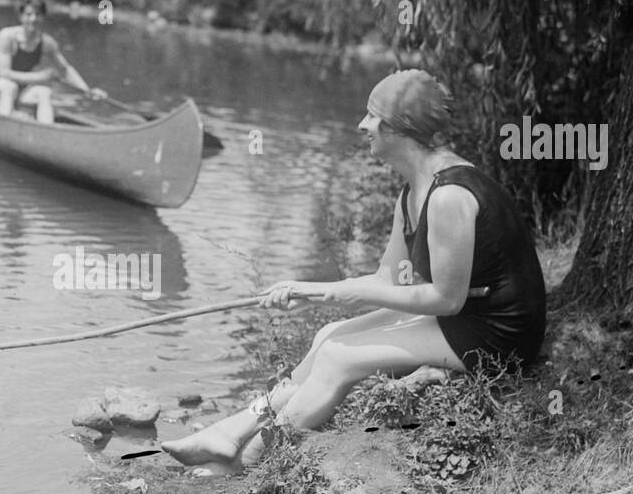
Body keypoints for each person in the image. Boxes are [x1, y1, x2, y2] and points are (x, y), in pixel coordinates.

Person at [160, 69, 547, 469]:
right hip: (466, 312)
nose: (363, 125)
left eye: (372, 116)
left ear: (399, 127)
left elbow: (445, 299)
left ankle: (247, 462)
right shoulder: (413, 189)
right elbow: (390, 278)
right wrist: (309, 292)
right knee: (329, 335)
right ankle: (234, 430)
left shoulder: (448, 197)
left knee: (339, 359)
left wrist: (348, 292)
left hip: (497, 330)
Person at [0, 0, 105, 123]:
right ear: (21, 17)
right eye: (28, 14)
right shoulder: (7, 36)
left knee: (44, 92)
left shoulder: (47, 43)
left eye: (37, 15)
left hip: (22, 93)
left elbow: (65, 69)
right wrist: (40, 77)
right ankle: (3, 127)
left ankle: (46, 132)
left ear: (42, 17)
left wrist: (86, 90)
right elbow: (4, 73)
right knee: (10, 87)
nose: (33, 19)